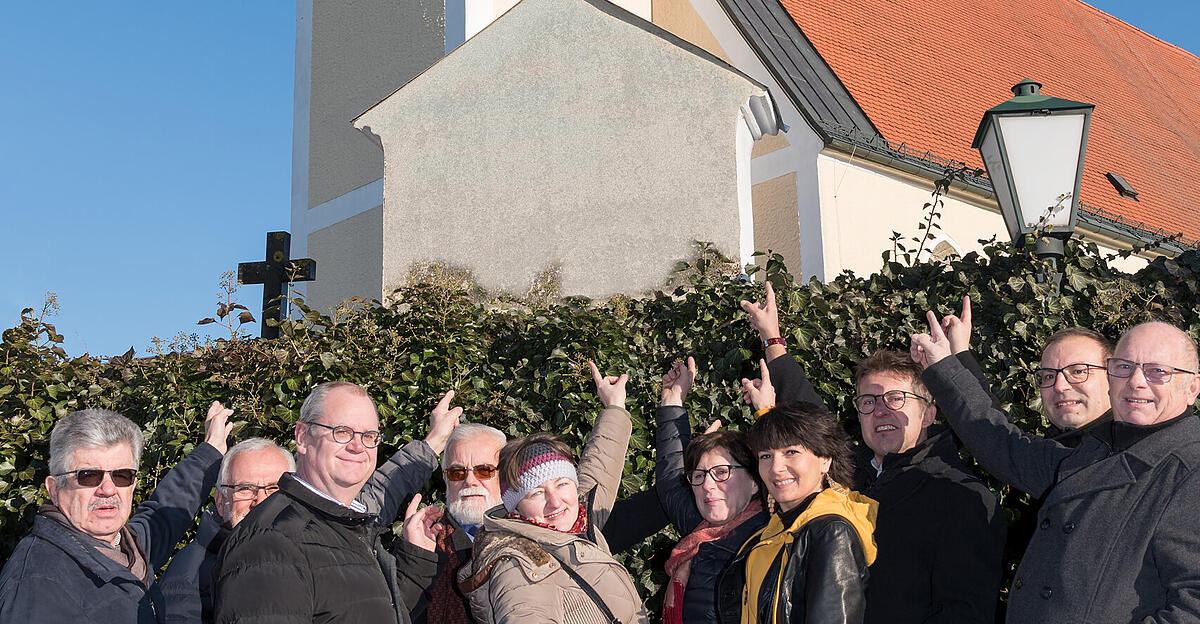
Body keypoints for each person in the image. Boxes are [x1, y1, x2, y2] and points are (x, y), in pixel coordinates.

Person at [743, 283, 1005, 623]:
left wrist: (959, 359)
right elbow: (812, 415)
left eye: (896, 399)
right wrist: (773, 341)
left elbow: (965, 612)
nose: (880, 411)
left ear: (929, 412)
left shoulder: (961, 497)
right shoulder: (853, 477)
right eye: (868, 401)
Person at [913, 314, 1200, 622]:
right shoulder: (1093, 453)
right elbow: (1000, 442)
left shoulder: (1189, 469)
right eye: (1124, 367)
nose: (1137, 382)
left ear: (1192, 387)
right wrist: (945, 366)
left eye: (1158, 372)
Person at [212, 382, 460, 624]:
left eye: (369, 436)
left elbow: (369, 611)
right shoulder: (271, 542)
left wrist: (416, 558)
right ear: (302, 437)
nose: (357, 446)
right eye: (341, 432)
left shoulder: (345, 525)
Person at [408, 420, 669, 623]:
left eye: (484, 470)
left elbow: (597, 475)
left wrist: (616, 408)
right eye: (457, 472)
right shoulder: (432, 547)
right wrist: (415, 557)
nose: (470, 481)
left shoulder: (570, 523)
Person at [0, 402, 232, 623]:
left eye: (122, 475)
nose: (108, 489)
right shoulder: (37, 585)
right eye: (88, 475)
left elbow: (163, 514)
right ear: (54, 489)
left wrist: (210, 451)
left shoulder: (124, 547)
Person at [457, 361, 649, 624]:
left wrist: (614, 407)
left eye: (562, 483)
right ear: (514, 508)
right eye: (536, 493)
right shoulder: (519, 565)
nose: (555, 501)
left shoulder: (576, 521)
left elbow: (599, 469)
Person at [716, 395, 877, 624]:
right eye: (766, 456)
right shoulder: (782, 527)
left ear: (825, 460)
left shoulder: (831, 531)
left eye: (791, 452)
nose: (776, 468)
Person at [655, 356, 767, 624]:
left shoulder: (771, 536)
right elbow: (671, 480)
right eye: (699, 475)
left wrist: (767, 413)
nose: (707, 485)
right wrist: (673, 400)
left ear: (755, 480)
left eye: (721, 473)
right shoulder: (701, 530)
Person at [940, 297, 1113, 445]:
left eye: (1078, 371)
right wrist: (960, 351)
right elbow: (996, 434)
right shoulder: (1044, 460)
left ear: (1113, 377)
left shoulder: (1133, 460)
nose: (1060, 386)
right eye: (1049, 376)